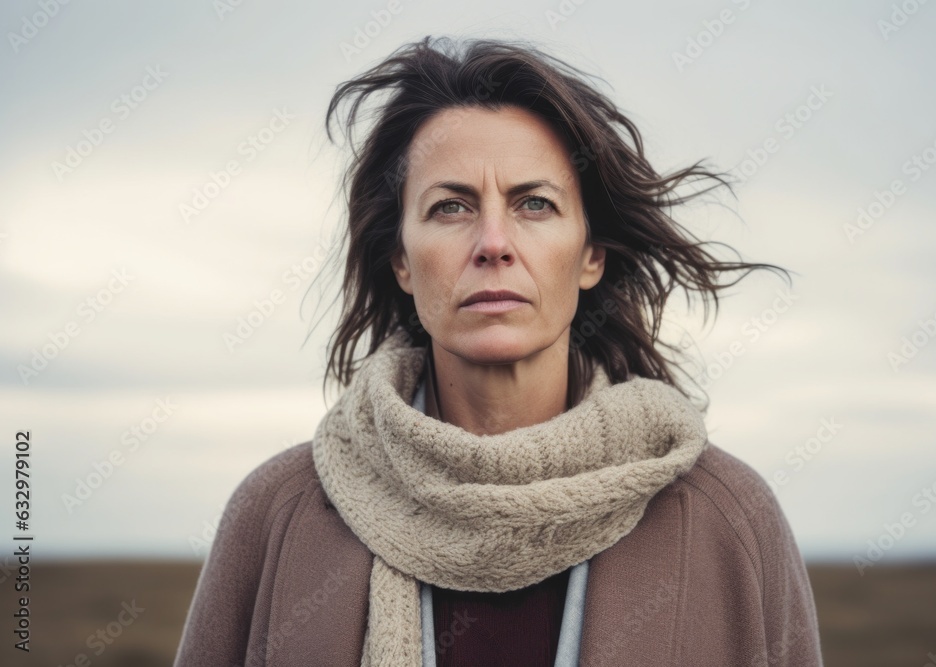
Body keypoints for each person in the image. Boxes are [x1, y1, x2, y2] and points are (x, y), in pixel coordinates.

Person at [173, 35, 824, 667]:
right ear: (401, 259)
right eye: (451, 207)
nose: (493, 242)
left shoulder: (724, 517)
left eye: (534, 204)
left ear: (591, 253)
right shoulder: (278, 514)